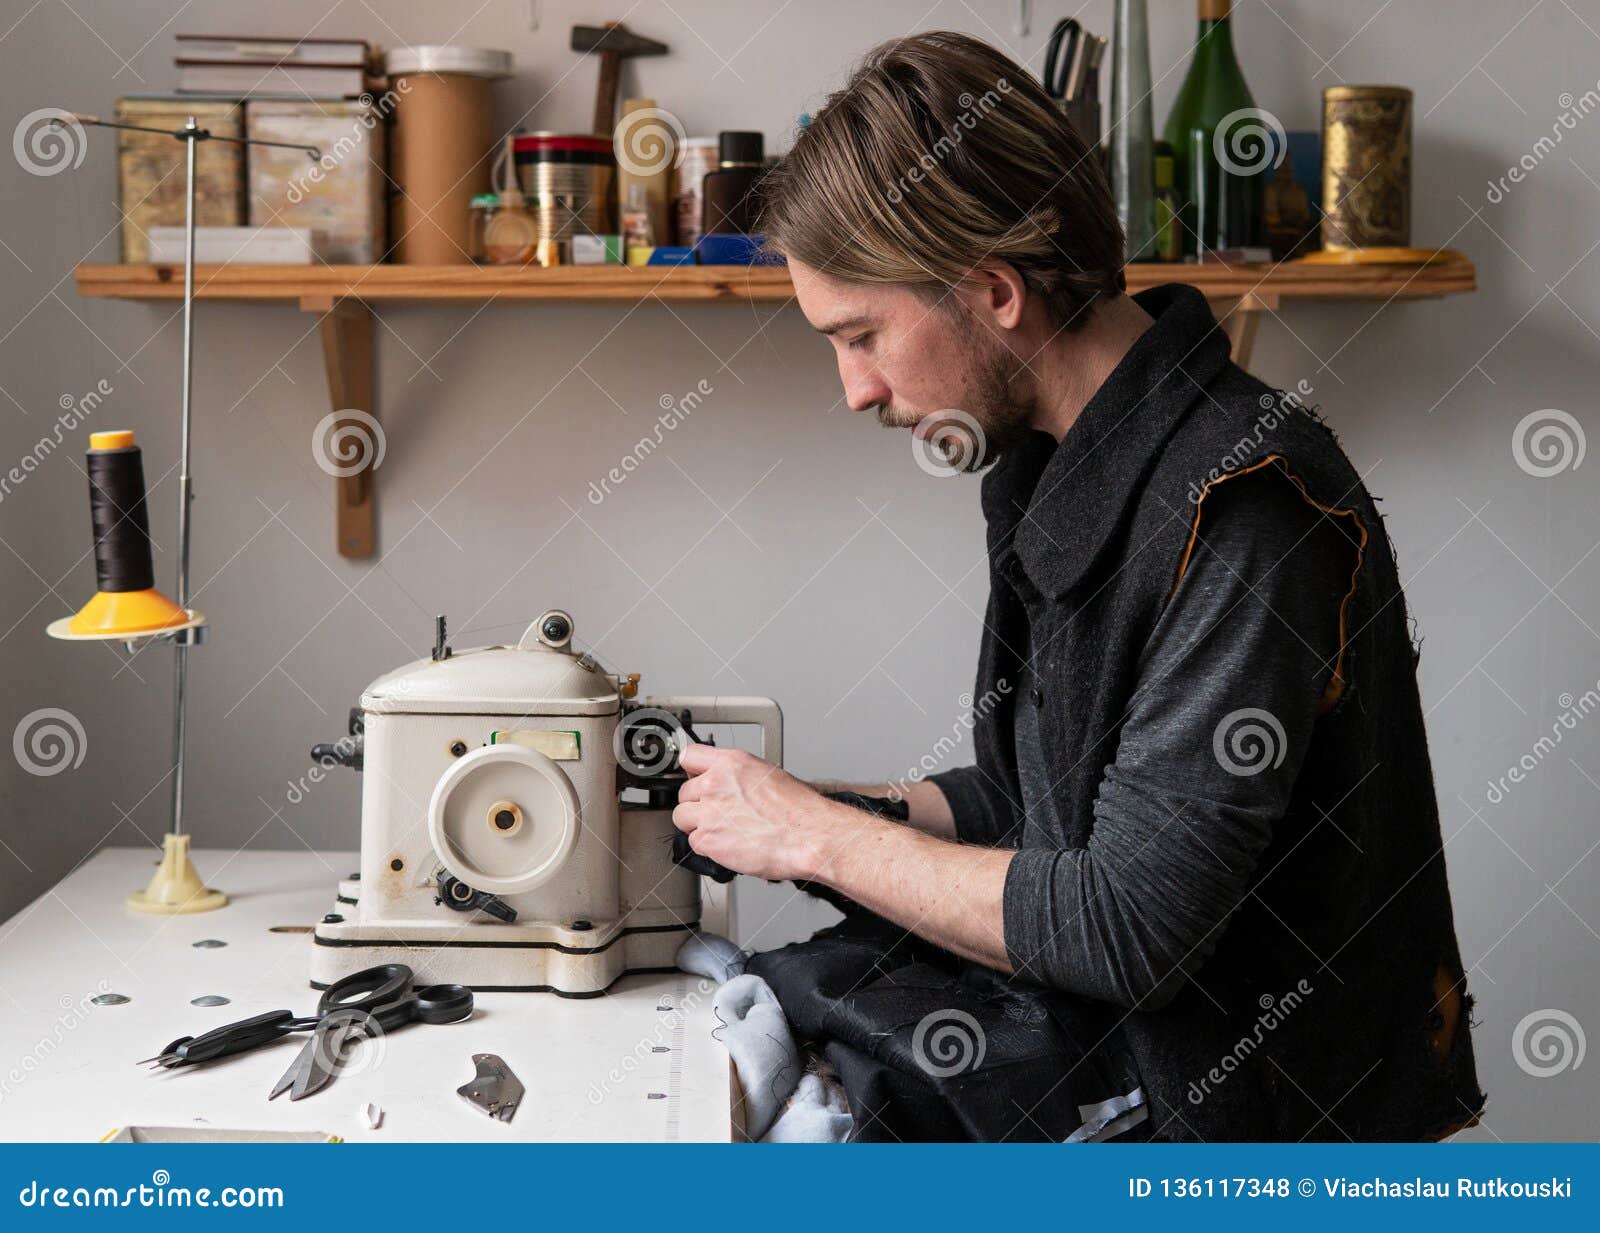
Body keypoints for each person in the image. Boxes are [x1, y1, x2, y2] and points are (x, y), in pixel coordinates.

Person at [669, 31, 1484, 1142]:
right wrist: (782, 810)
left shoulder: (1243, 505)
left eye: (860, 336)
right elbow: (1034, 803)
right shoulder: (1057, 465)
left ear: (994, 291)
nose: (854, 391)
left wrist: (813, 839)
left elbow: (1128, 921)